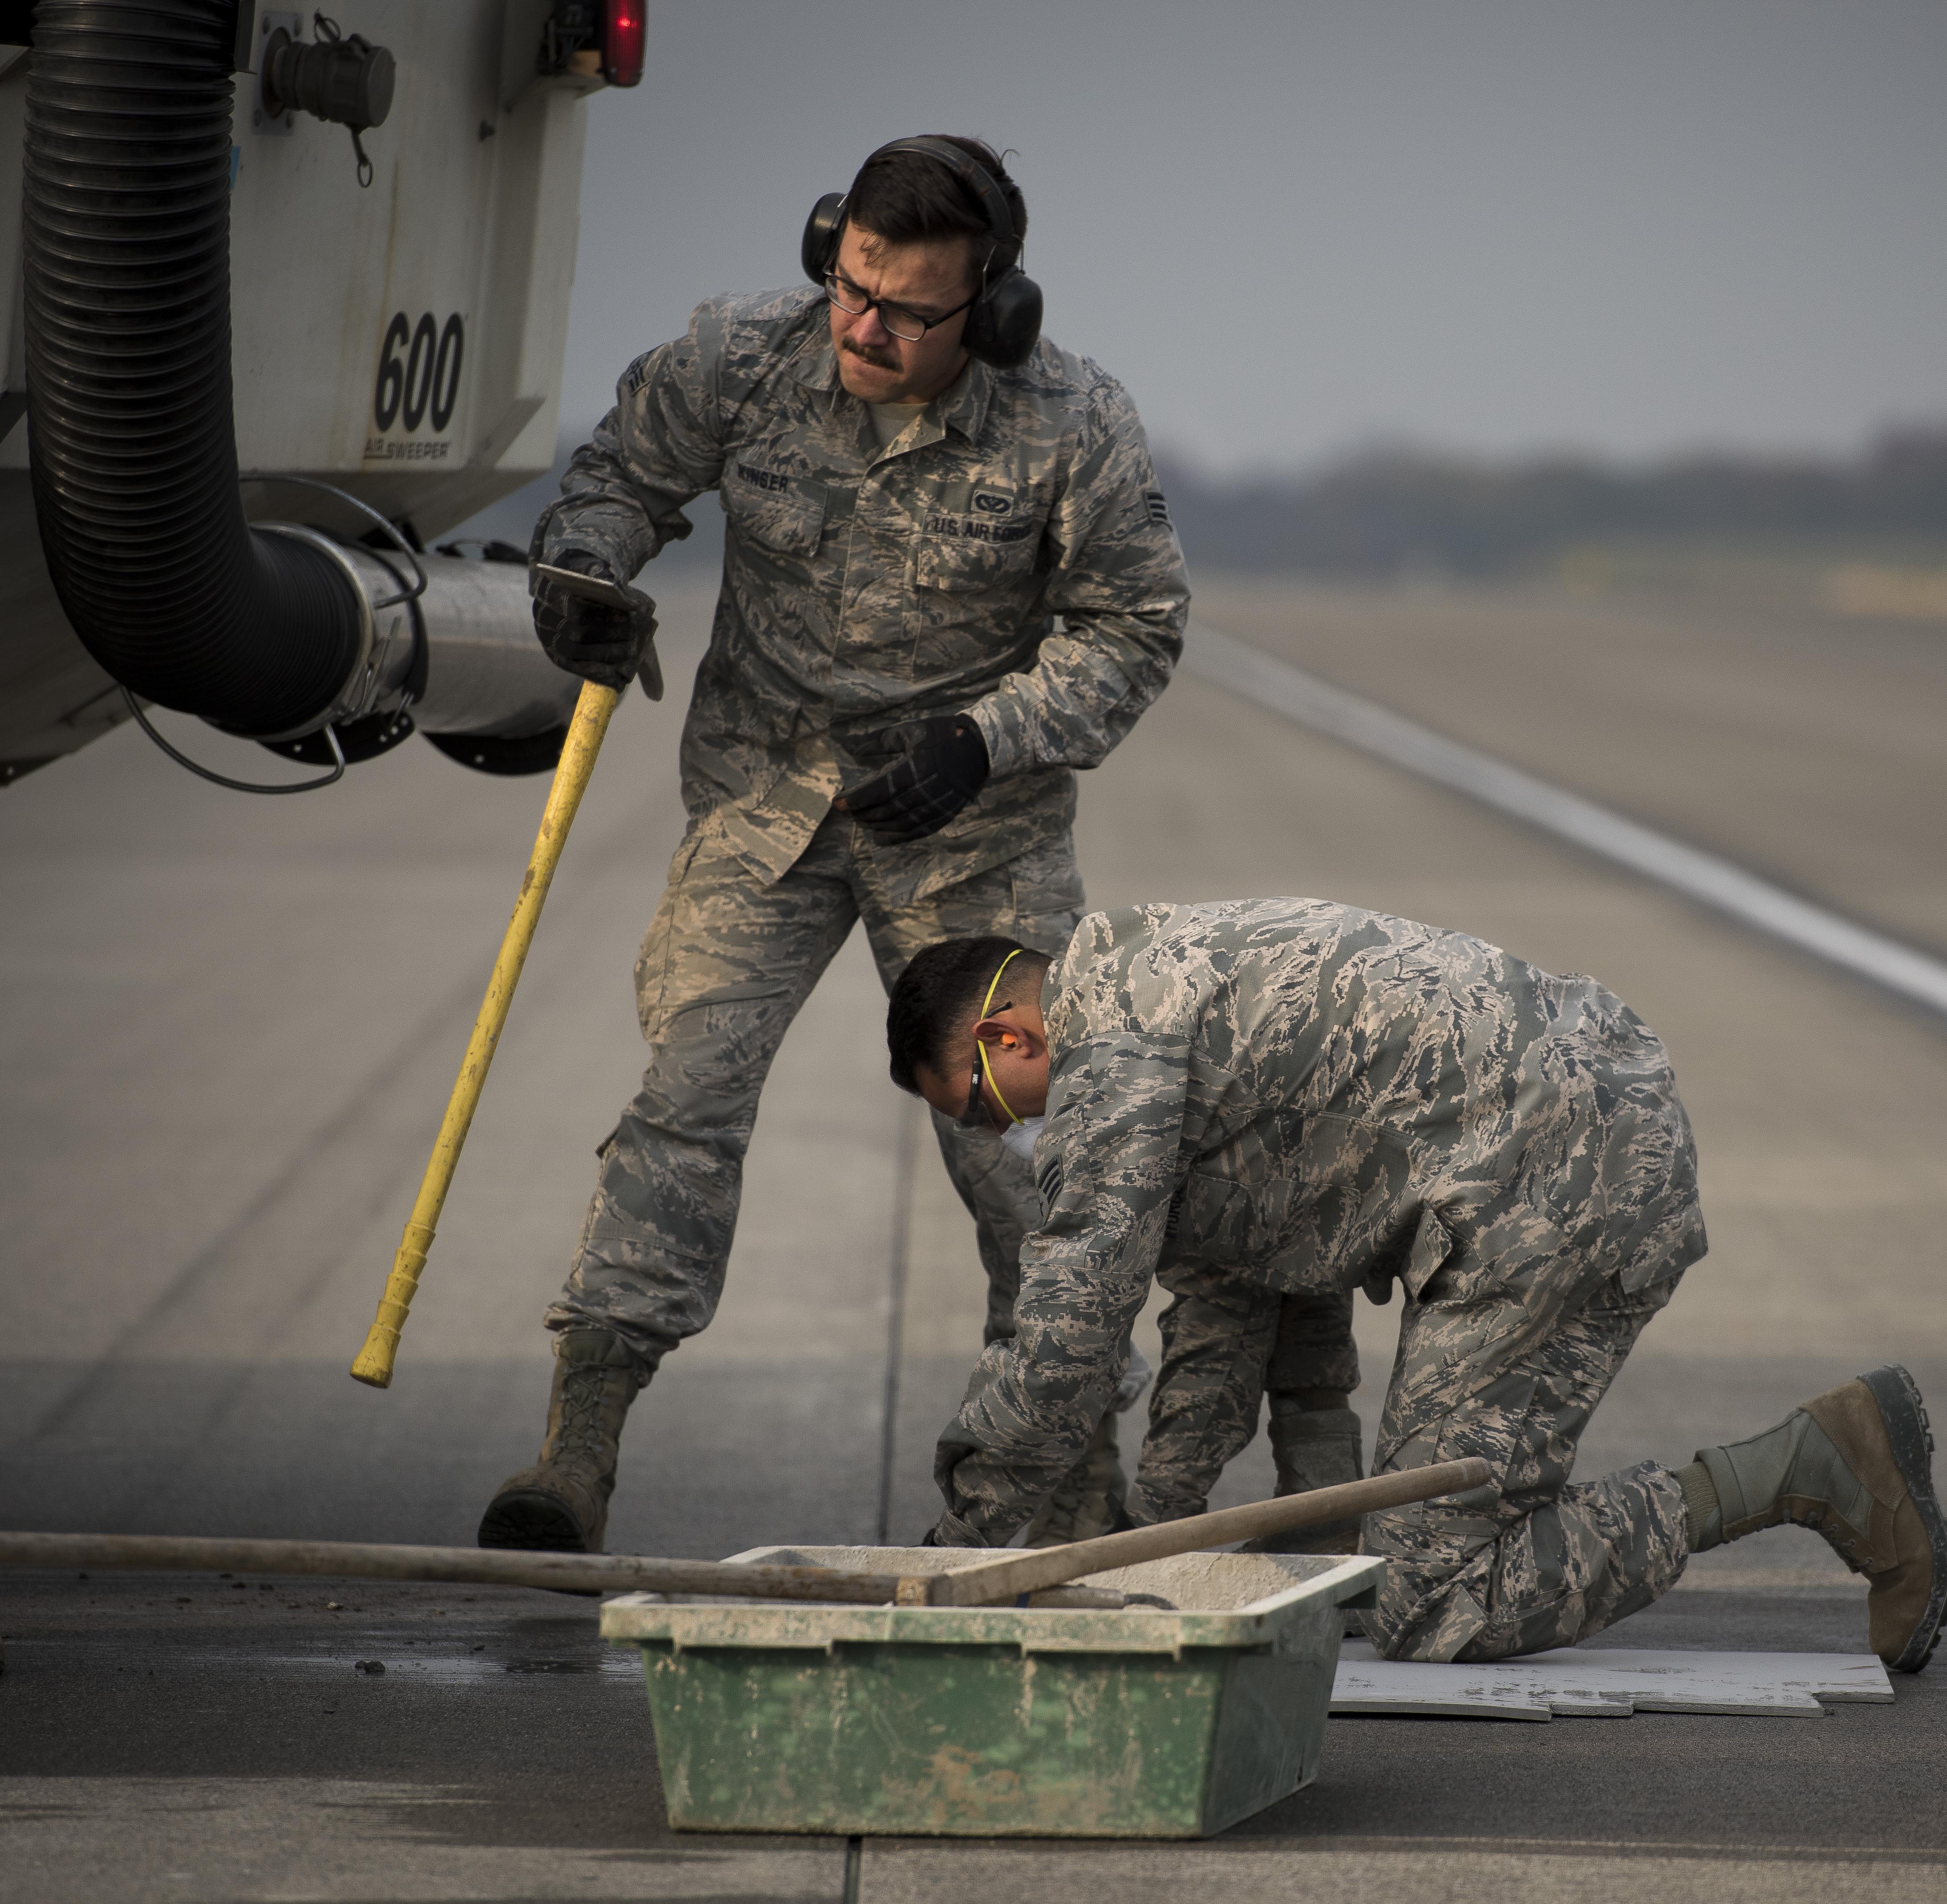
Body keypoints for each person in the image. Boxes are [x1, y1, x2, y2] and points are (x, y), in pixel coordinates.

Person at [477, 135, 1360, 1554]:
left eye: (907, 309)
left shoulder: (1072, 420)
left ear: (994, 310)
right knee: (683, 1101)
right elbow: (616, 483)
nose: (864, 327)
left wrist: (983, 739)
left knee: (1029, 1161)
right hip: (766, 801)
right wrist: (584, 576)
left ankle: (1060, 1485)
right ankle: (576, 1450)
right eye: (849, 284)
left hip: (972, 833)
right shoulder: (742, 353)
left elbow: (1136, 628)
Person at [884, 899, 1947, 1668]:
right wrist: (1156, 1543)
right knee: (1390, 1561)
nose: (1005, 1134)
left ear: (1005, 1036)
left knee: (1435, 1597)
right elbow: (1233, 1301)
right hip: (1566, 1131)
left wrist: (952, 1558)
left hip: (1558, 1176)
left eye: (983, 1109)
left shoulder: (1107, 1057)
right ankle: (1337, 1554)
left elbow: (1068, 1343)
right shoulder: (1157, 981)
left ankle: (1810, 1466)